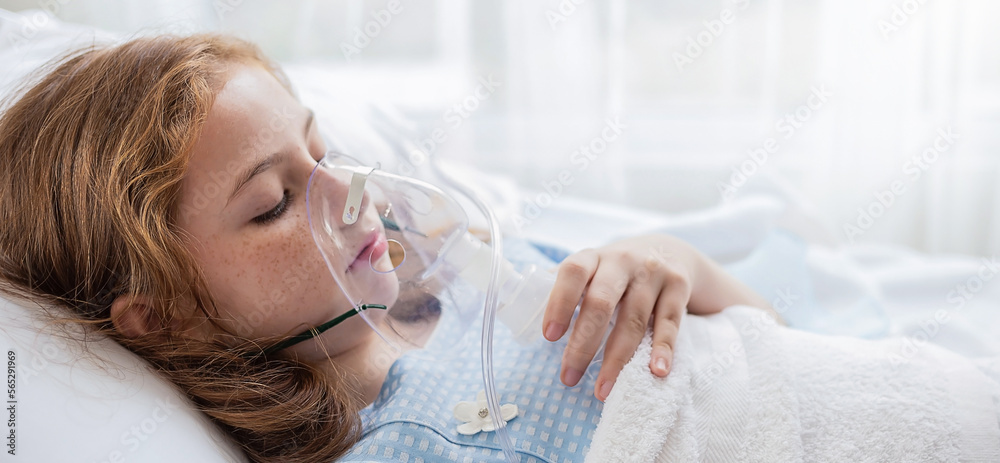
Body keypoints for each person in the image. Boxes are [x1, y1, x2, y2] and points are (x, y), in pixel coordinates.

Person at [0, 34, 773, 462]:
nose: (350, 191)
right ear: (165, 316)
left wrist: (666, 260)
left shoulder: (460, 273)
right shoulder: (378, 446)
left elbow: (768, 336)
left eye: (322, 149)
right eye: (273, 203)